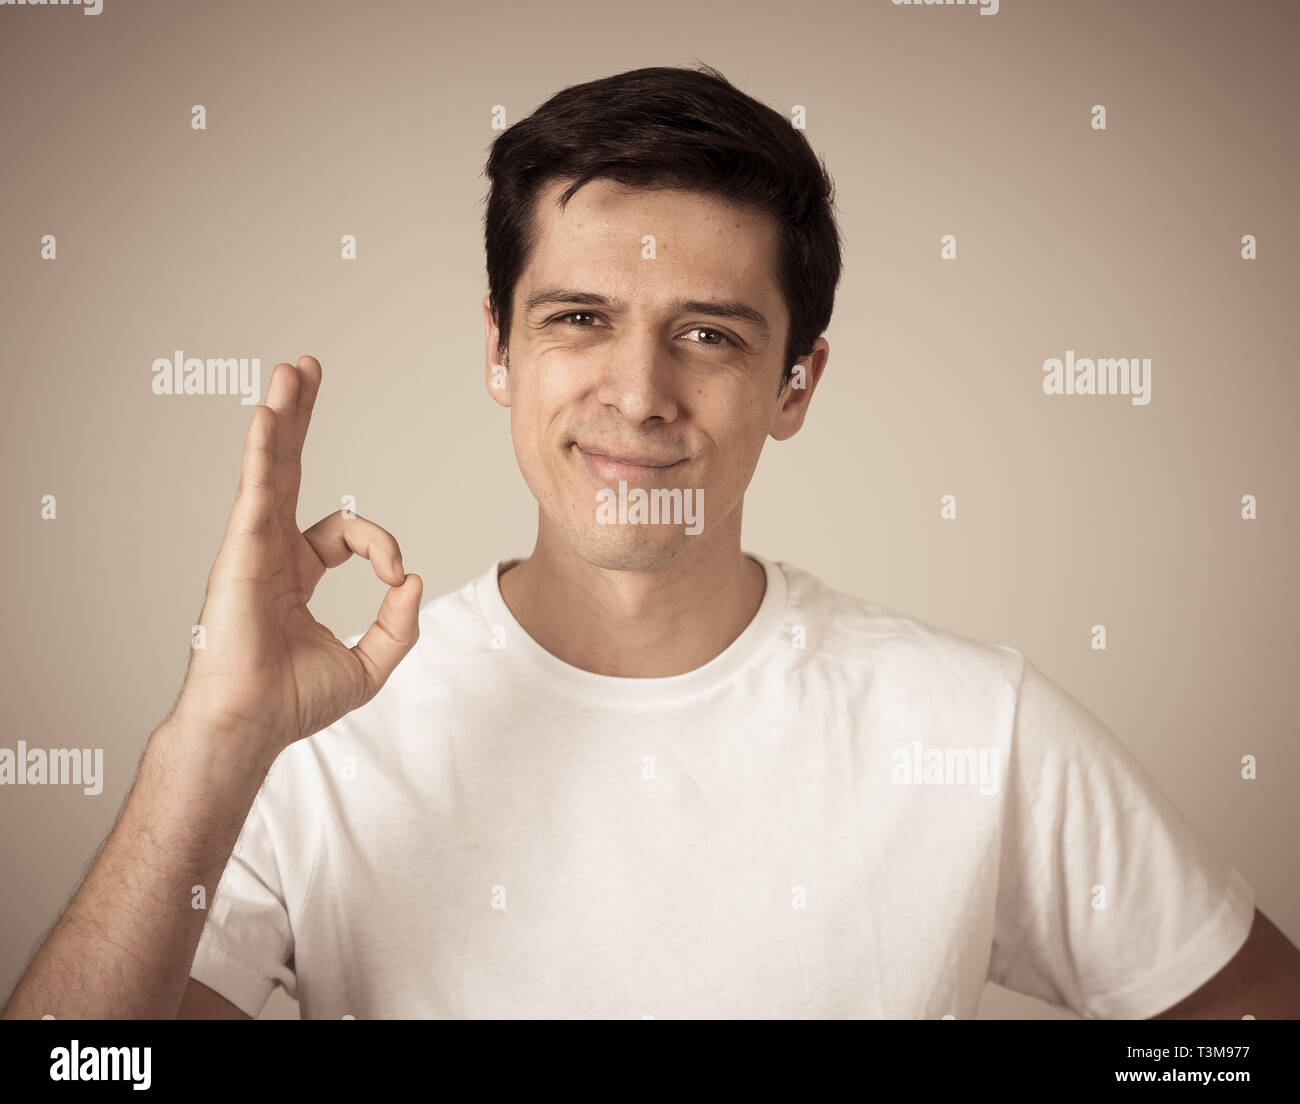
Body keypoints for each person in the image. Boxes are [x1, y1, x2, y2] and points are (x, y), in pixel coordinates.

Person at [4, 64, 1298, 1020]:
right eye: (578, 318)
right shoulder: (319, 740)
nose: (637, 393)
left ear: (797, 384)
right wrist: (209, 743)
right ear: (499, 350)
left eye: (710, 333)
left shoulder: (969, 720)